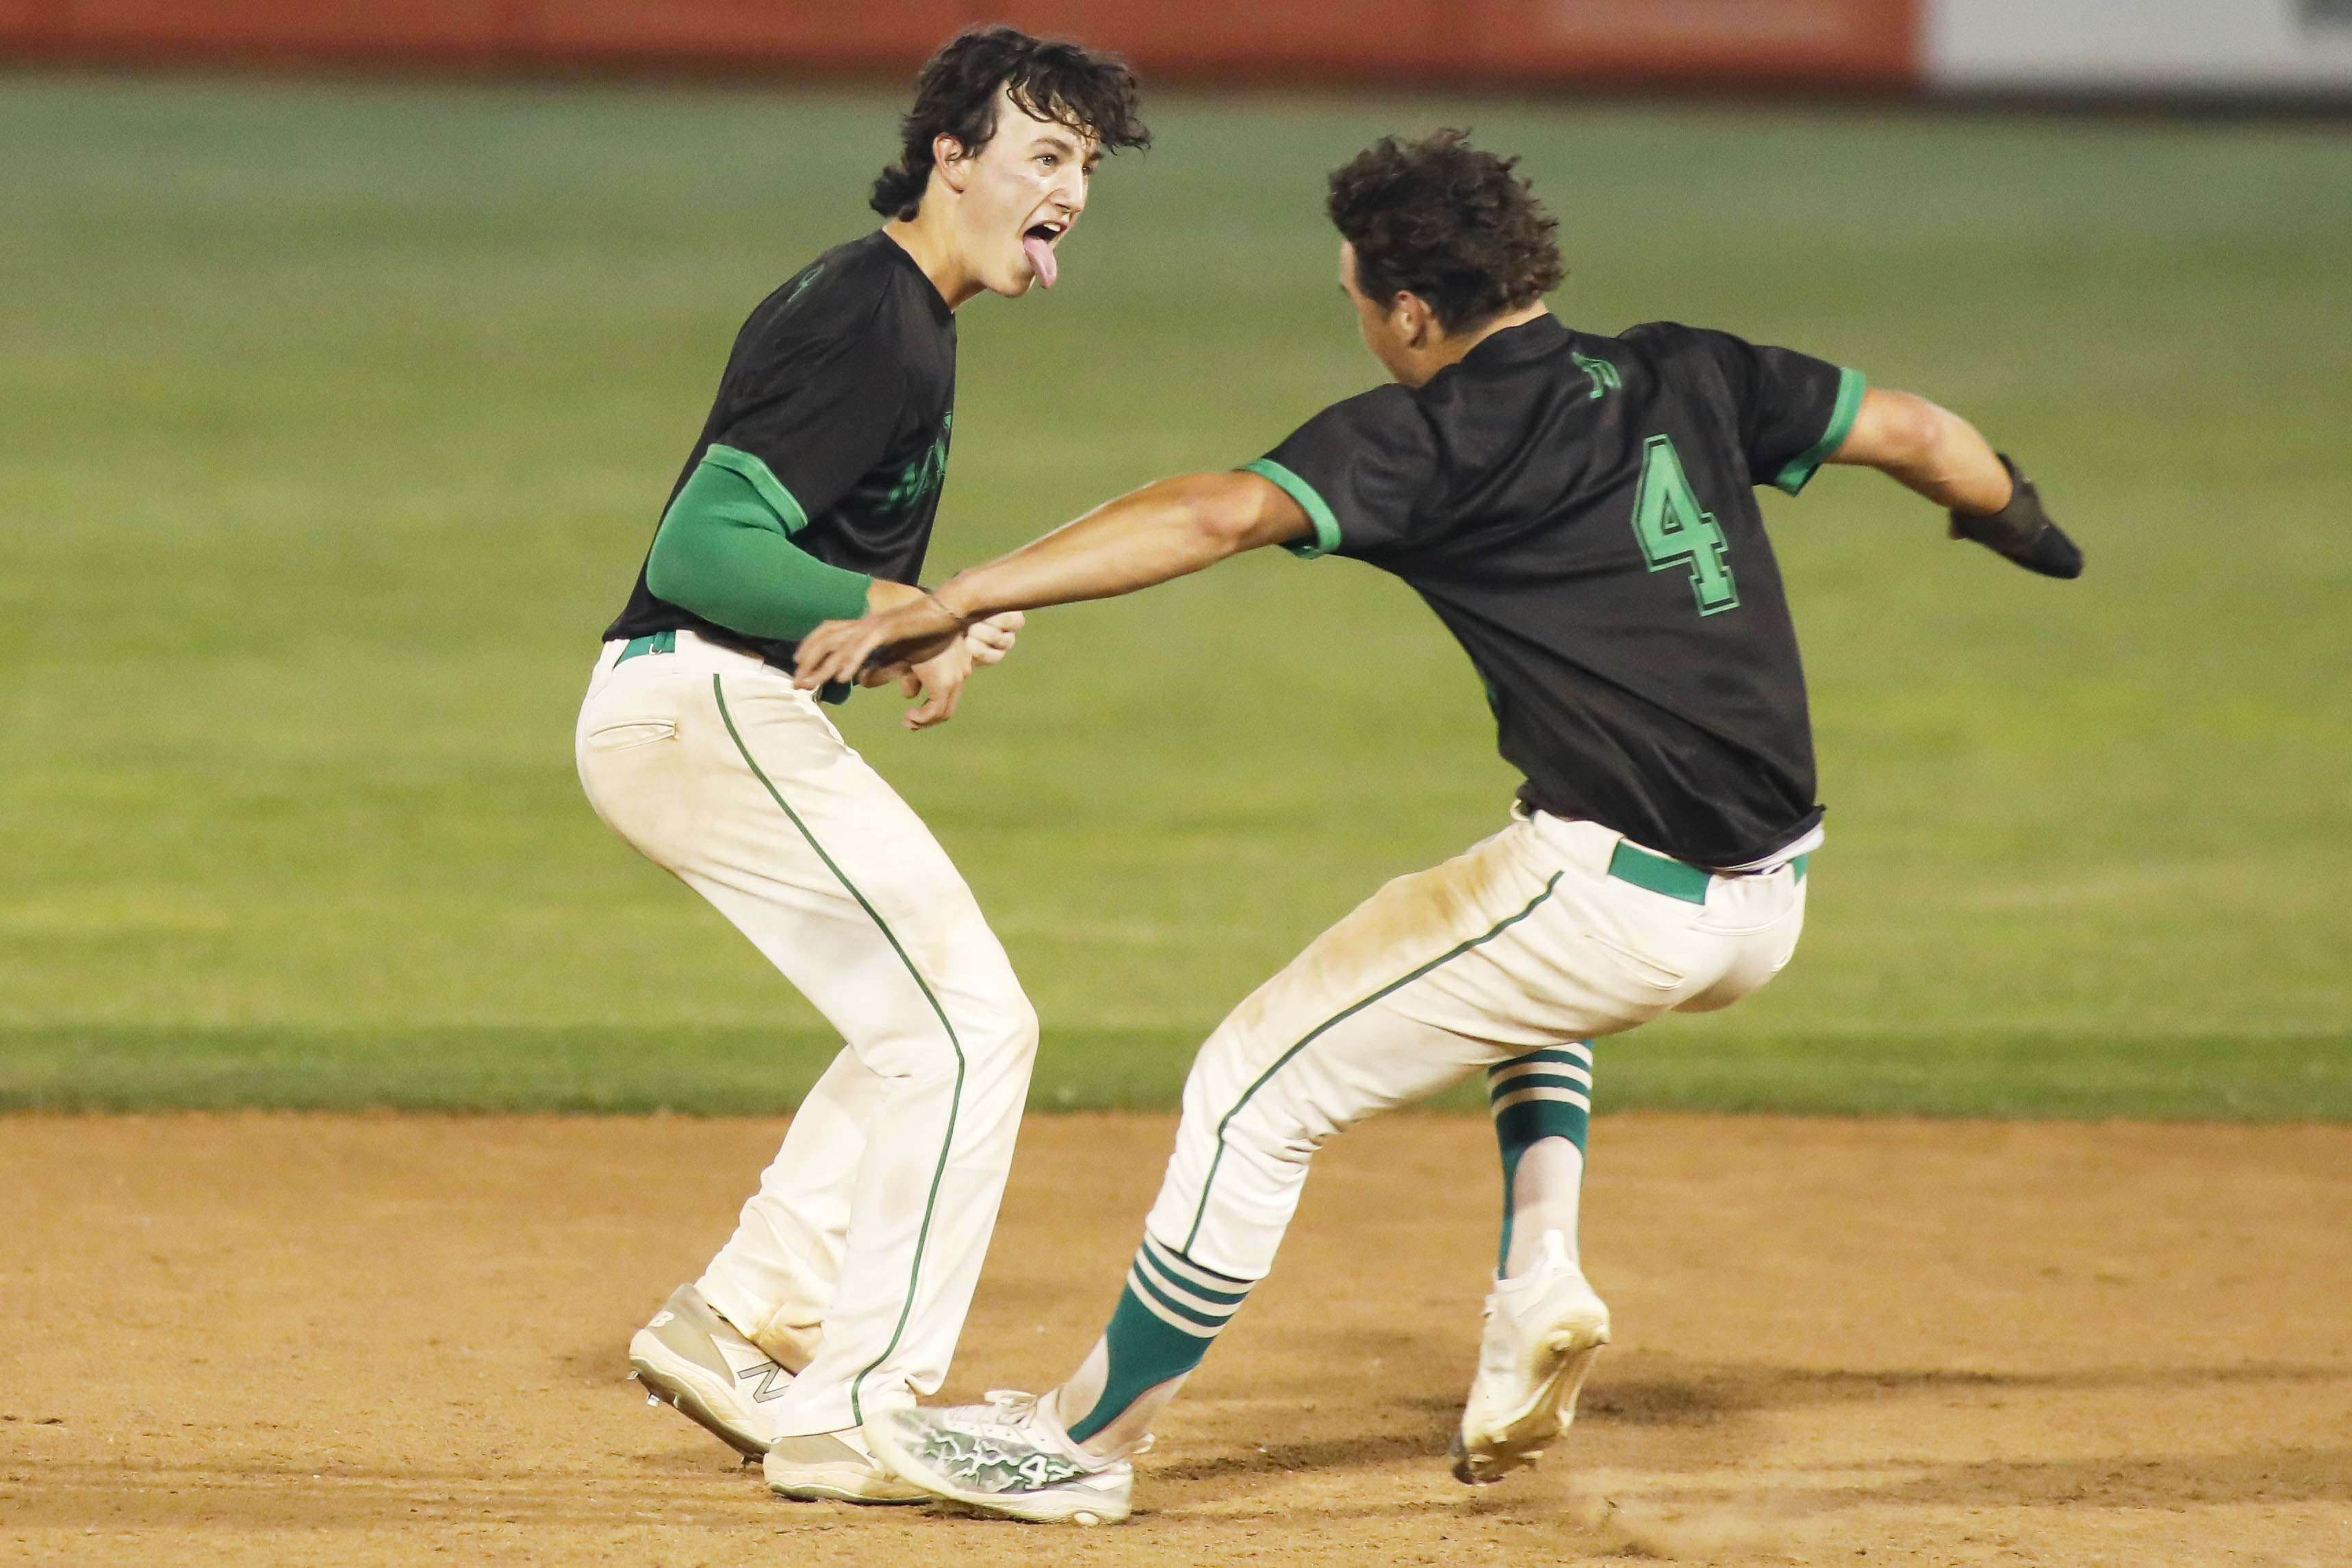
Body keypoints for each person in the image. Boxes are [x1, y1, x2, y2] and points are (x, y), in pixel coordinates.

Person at [794, 128, 2082, 1525]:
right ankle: (1539, 1277)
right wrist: (2016, 521)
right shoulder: (1683, 369)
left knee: (1250, 1085)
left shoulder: (1431, 432)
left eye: (1356, 294)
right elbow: (1910, 433)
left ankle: (1082, 1443)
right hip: (1763, 901)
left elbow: (1212, 512)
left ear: (1410, 311)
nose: (1356, 318)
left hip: (1616, 903)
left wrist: (963, 592)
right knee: (1512, 941)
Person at [574, 27, 1147, 1506]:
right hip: (698, 706)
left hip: (698, 707)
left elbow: (792, 566)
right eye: (1042, 151)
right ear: (947, 154)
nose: (1069, 186)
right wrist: (904, 610)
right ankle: (859, 1411)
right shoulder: (875, 315)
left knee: (925, 1026)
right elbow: (700, 550)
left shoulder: (901, 313)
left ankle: (745, 1310)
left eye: (1084, 163)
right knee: (967, 1030)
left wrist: (907, 625)